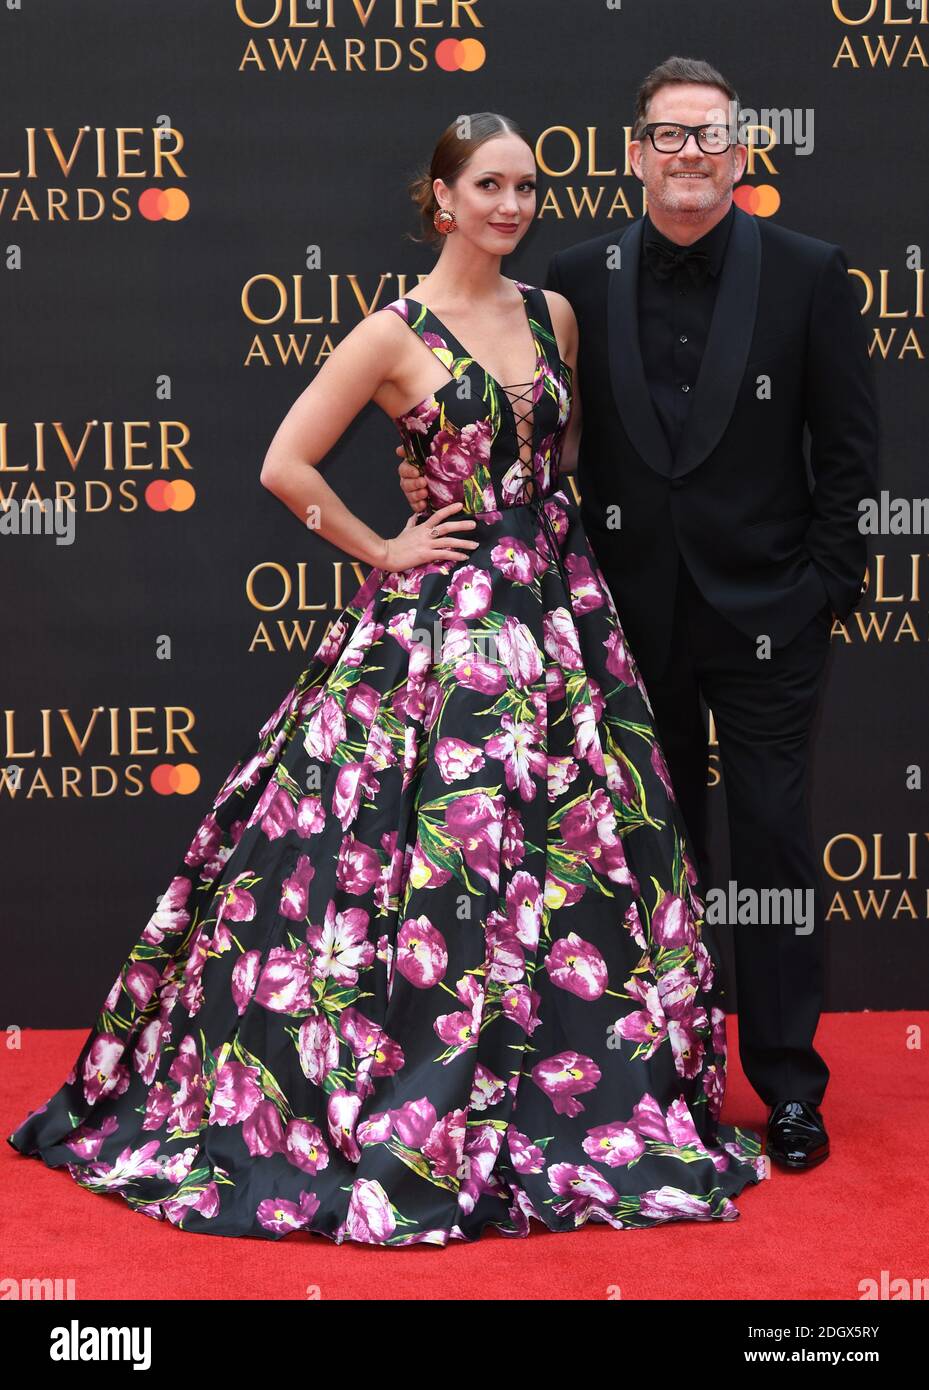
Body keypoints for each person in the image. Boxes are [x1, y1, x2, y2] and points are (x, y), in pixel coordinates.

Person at [8, 112, 764, 1248]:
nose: (511, 207)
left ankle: (569, 1090)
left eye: (526, 189)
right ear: (442, 199)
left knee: (582, 856)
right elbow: (282, 463)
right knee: (428, 863)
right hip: (443, 631)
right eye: (490, 187)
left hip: (561, 620)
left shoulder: (550, 313)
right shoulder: (389, 334)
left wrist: (545, 554)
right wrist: (384, 546)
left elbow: (555, 464)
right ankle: (399, 1099)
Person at [400, 62, 881, 1176]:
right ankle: (660, 1075)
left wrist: (819, 591)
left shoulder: (808, 274)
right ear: (632, 154)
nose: (688, 155)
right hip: (616, 622)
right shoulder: (572, 279)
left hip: (769, 619)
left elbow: (848, 454)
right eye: (666, 137)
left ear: (740, 152)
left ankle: (785, 1081)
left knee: (766, 839)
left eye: (708, 136)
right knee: (640, 854)